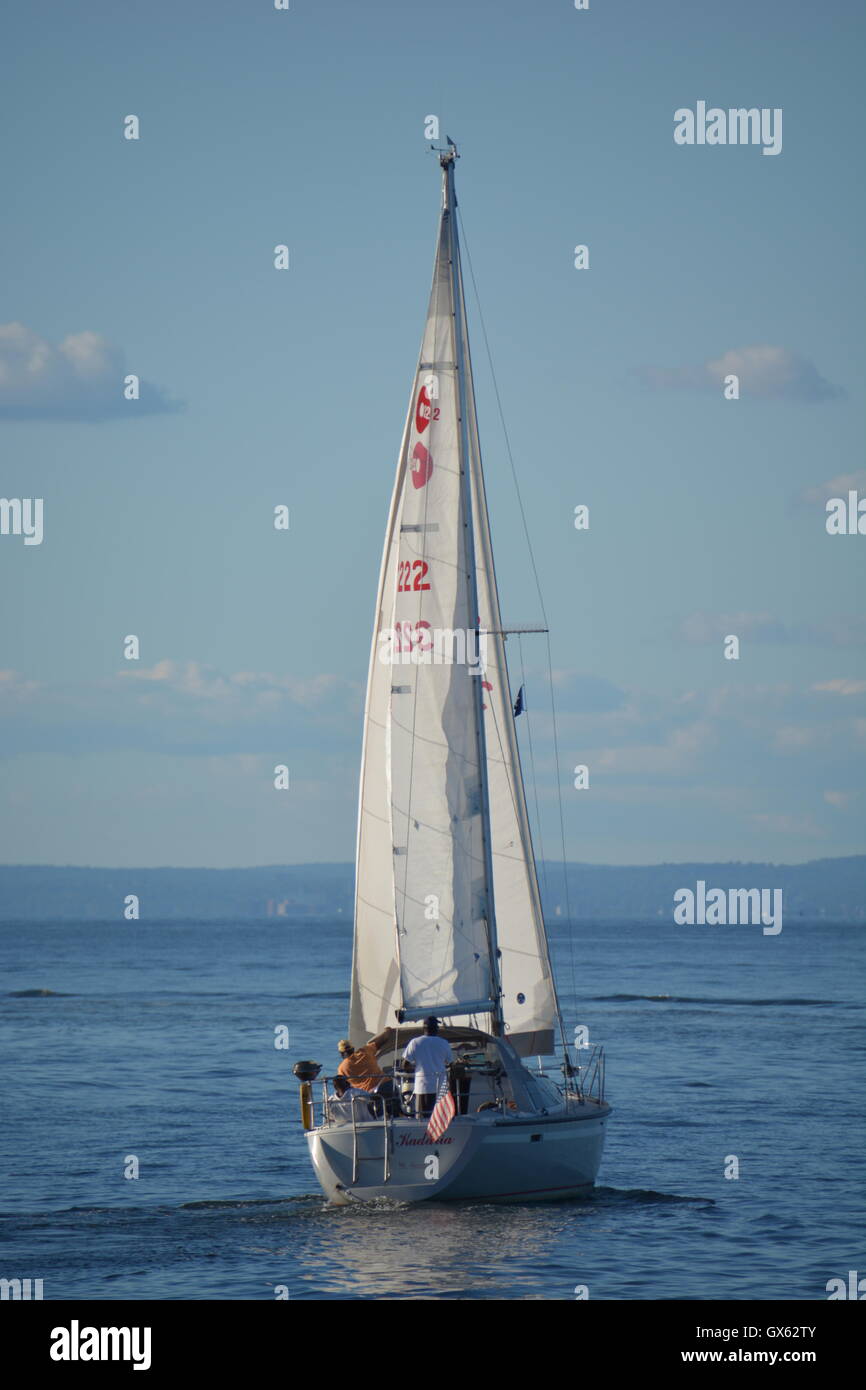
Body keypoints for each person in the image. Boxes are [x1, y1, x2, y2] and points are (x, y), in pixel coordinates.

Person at [337, 1027, 400, 1112]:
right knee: (396, 1111)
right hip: (386, 1085)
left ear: (341, 1054)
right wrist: (387, 1031)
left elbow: (342, 1087)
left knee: (376, 1117)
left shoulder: (342, 1068)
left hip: (368, 1095)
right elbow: (382, 1040)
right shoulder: (365, 1051)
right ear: (353, 1049)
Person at [402, 1017, 452, 1120]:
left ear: (423, 1028)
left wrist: (417, 1069)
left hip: (422, 1087)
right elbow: (451, 1064)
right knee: (440, 1120)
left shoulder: (415, 1042)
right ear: (436, 1028)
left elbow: (404, 1065)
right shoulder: (444, 1043)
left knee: (422, 1119)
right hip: (440, 1088)